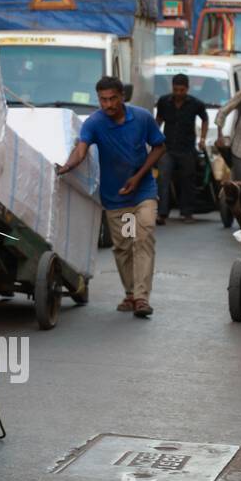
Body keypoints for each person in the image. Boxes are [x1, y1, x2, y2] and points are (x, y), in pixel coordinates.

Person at [57, 76, 166, 319]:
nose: (108, 105)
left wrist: (138, 177)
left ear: (122, 96)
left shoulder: (141, 119)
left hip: (143, 192)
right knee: (125, 246)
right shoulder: (94, 123)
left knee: (144, 235)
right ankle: (130, 293)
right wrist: (65, 167)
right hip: (117, 199)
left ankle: (141, 298)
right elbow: (81, 150)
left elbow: (159, 146)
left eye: (112, 99)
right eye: (103, 100)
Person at [155, 73, 209, 223]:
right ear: (172, 88)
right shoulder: (164, 101)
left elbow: (205, 119)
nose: (178, 93)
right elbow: (158, 120)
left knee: (188, 180)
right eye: (176, 89)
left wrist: (202, 139)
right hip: (167, 148)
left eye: (182, 90)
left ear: (187, 89)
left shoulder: (195, 104)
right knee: (163, 179)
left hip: (187, 149)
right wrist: (153, 137)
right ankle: (162, 213)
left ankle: (187, 213)